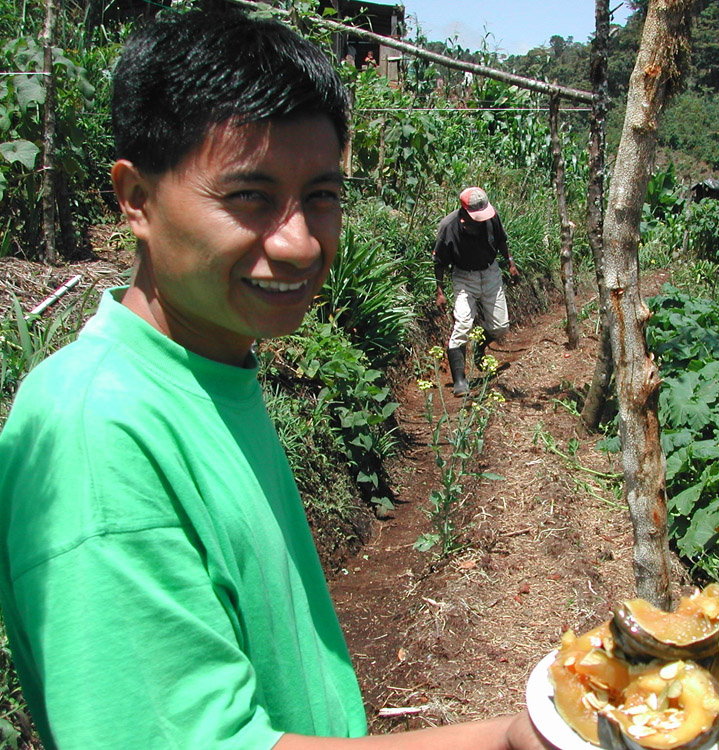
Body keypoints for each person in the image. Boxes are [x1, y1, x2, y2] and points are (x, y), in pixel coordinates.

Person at [0, 11, 548, 750]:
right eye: (250, 196)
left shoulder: (208, 368)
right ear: (135, 199)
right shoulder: (97, 437)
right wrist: (516, 741)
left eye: (322, 195)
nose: (298, 243)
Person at [433, 187, 519, 395]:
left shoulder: (492, 217)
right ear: (464, 212)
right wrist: (440, 291)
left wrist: (511, 263)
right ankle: (460, 381)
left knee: (500, 327)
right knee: (462, 323)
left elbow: (501, 240)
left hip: (490, 272)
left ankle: (480, 346)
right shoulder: (448, 227)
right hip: (464, 277)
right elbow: (439, 262)